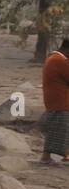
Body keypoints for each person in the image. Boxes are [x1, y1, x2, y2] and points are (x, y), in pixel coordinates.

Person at [40, 36, 69, 165]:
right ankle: (45, 158)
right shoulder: (59, 61)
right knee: (57, 130)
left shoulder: (53, 59)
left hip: (56, 100)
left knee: (61, 129)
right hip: (60, 101)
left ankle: (65, 155)